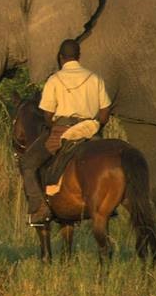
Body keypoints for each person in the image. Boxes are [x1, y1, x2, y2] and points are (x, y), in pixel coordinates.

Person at [20, 39, 111, 226]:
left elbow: (47, 114)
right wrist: (95, 124)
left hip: (62, 131)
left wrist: (52, 125)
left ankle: (40, 208)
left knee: (27, 163)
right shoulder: (95, 78)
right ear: (79, 56)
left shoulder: (54, 80)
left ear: (61, 58)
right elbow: (105, 112)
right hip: (90, 132)